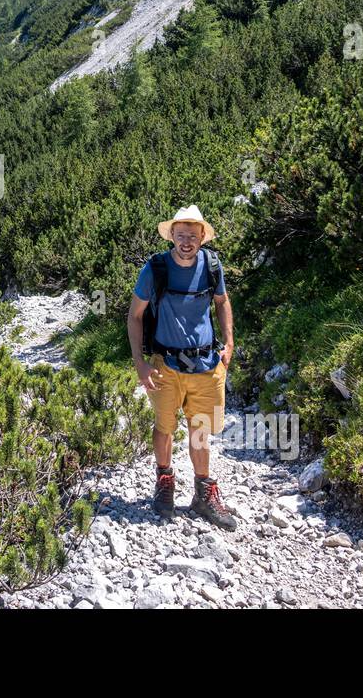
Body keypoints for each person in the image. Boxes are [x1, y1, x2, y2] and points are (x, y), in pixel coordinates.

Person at [126, 205, 237, 530]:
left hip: (206, 364)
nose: (186, 241)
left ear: (202, 236)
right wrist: (140, 364)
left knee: (200, 428)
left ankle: (203, 493)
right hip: (164, 365)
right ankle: (165, 482)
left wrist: (229, 344)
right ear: (171, 235)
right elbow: (135, 315)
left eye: (192, 235)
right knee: (164, 426)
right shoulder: (156, 268)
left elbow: (222, 301)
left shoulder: (213, 265)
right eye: (181, 235)